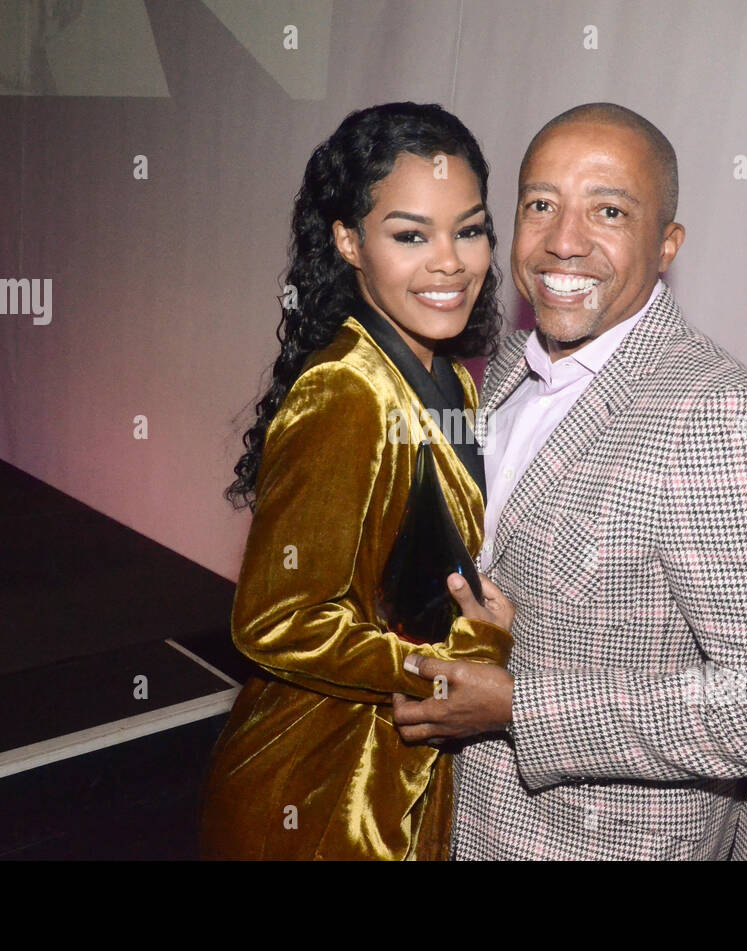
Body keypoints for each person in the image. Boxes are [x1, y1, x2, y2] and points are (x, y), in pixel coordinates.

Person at [392, 102, 747, 860]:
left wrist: (519, 707)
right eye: (541, 204)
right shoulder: (508, 367)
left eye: (608, 210)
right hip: (464, 823)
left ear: (667, 244)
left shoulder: (716, 418)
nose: (563, 242)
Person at [200, 102, 514, 860]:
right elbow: (275, 621)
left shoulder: (455, 381)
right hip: (323, 787)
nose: (450, 262)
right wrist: (448, 671)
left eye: (468, 230)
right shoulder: (348, 390)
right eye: (411, 235)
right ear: (348, 241)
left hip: (400, 767)